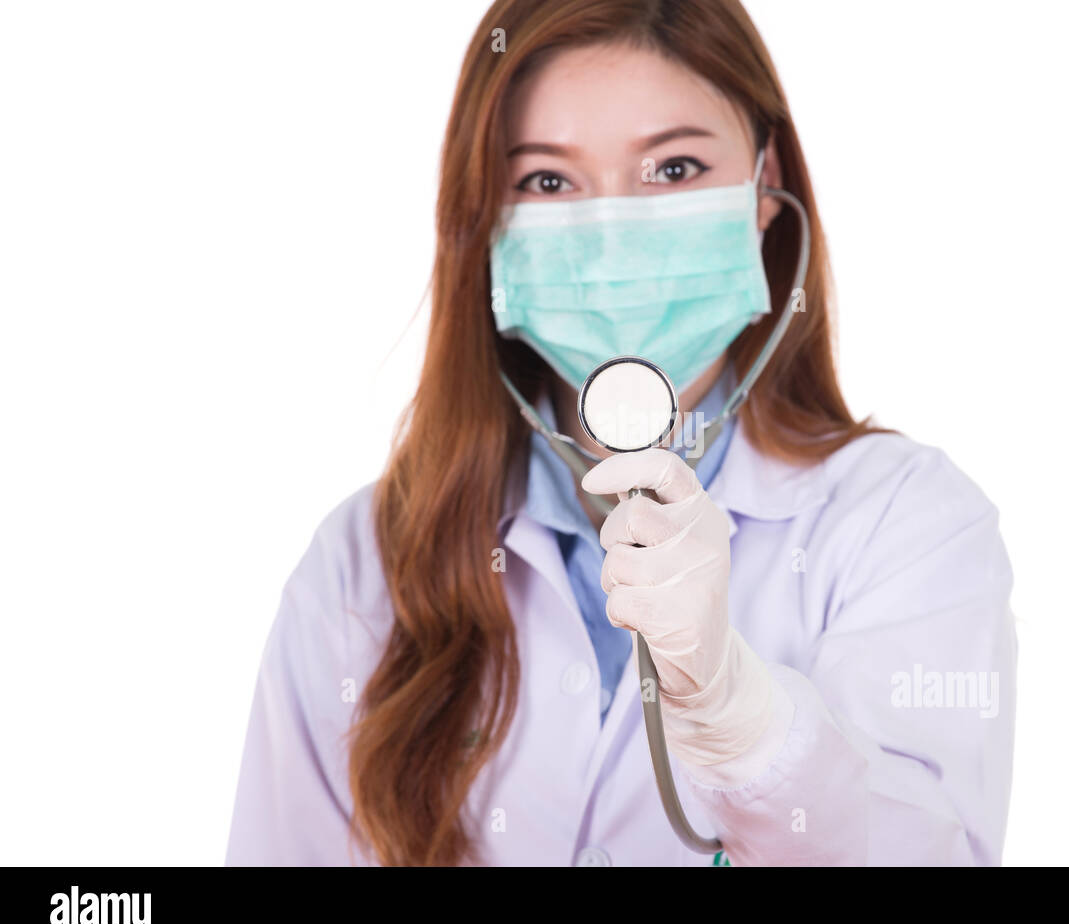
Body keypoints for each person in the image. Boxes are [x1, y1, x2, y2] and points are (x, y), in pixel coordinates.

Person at [225, 0, 1017, 867]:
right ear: (486, 225)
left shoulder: (904, 525)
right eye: (548, 182)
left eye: (673, 168)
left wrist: (741, 717)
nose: (612, 239)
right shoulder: (361, 564)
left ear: (764, 186)